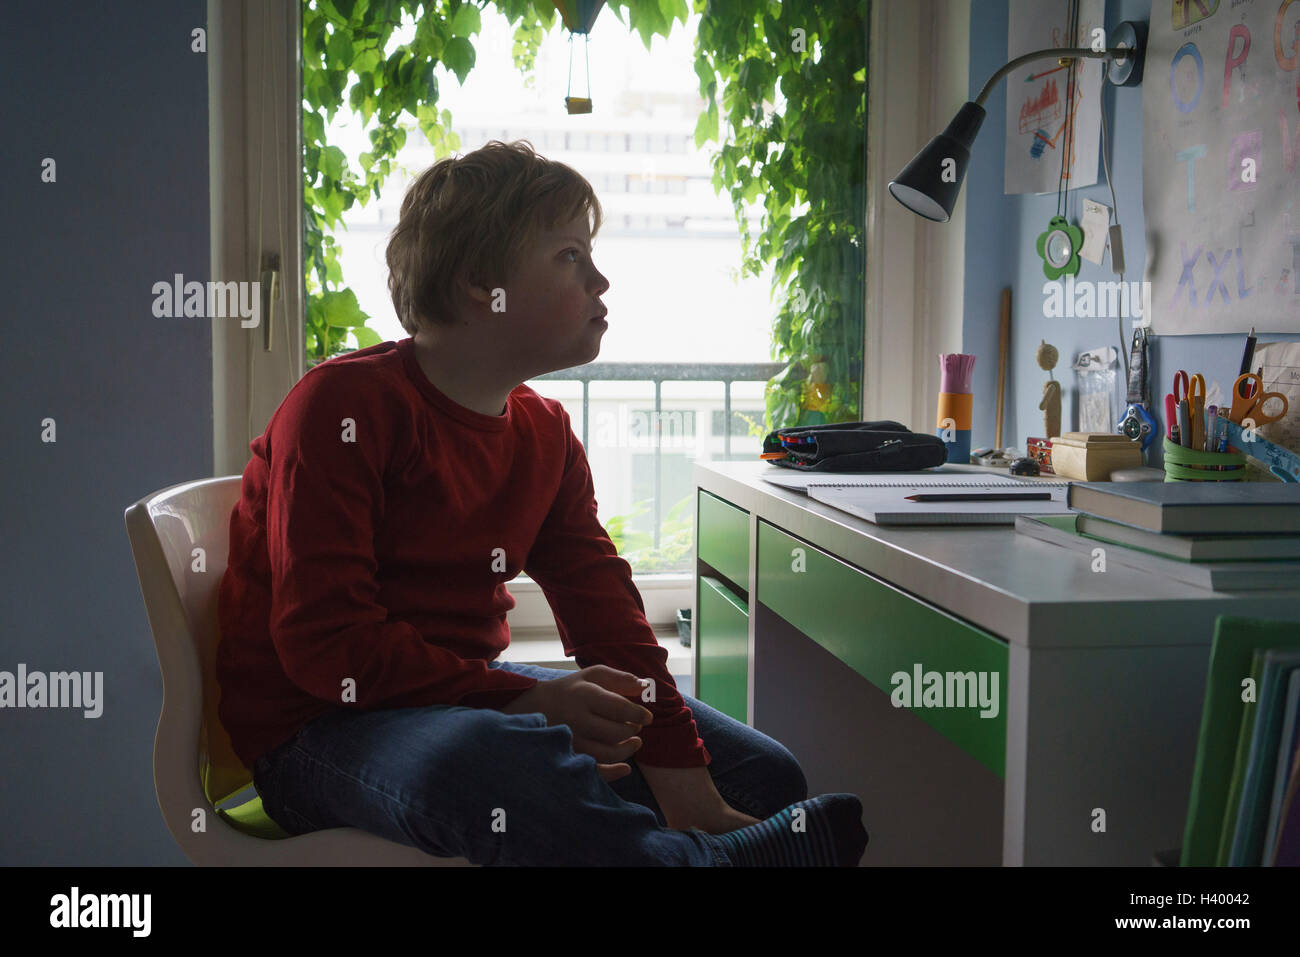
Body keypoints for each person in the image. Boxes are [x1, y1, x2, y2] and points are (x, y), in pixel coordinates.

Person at [216, 140, 868, 866]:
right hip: (317, 730)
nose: (601, 279)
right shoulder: (341, 407)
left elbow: (609, 618)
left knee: (762, 773)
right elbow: (327, 647)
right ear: (478, 283)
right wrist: (519, 704)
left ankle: (687, 850)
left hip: (461, 700)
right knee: (498, 764)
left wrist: (694, 794)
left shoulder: (545, 433)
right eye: (570, 256)